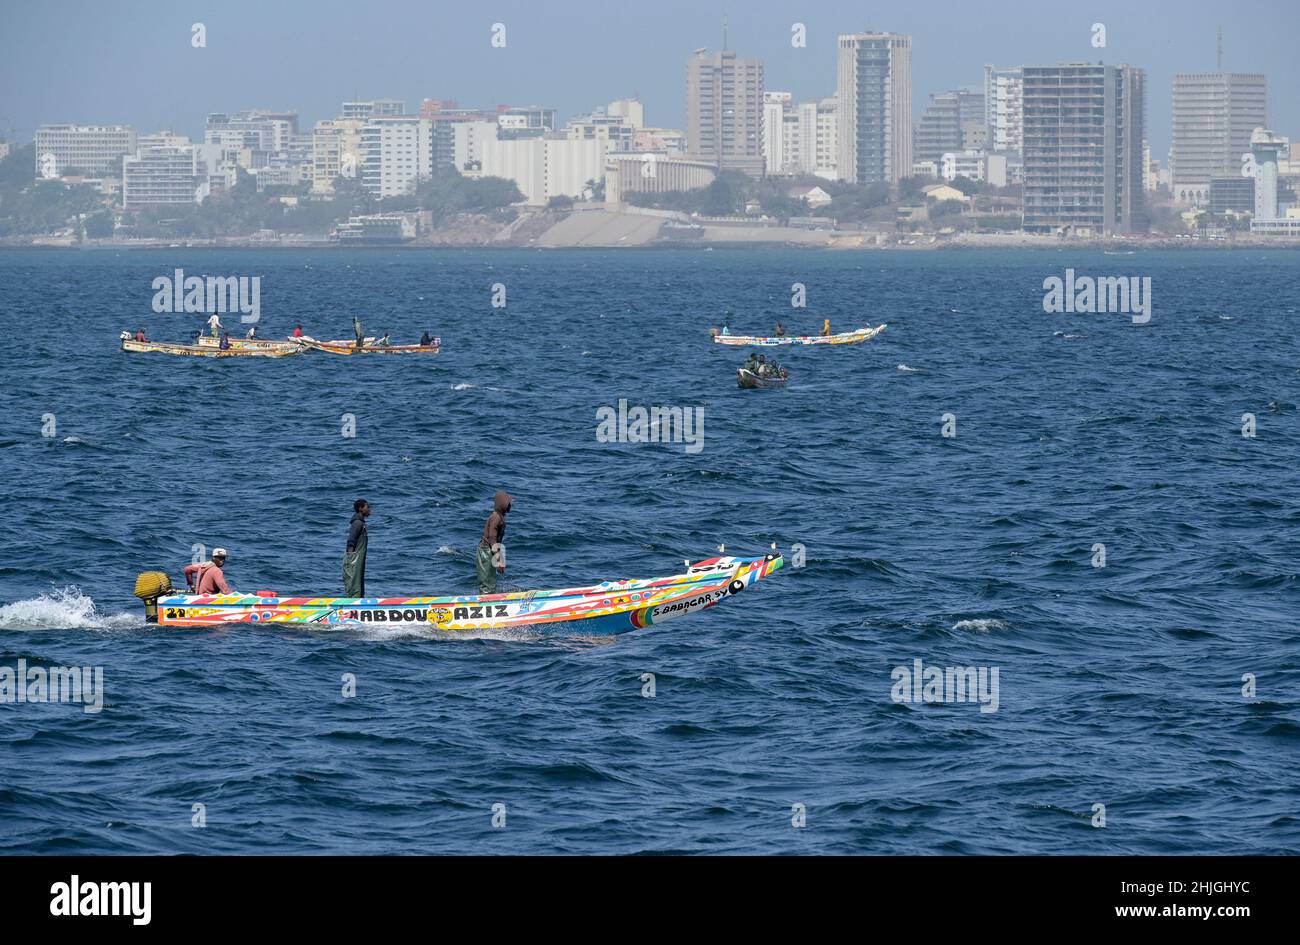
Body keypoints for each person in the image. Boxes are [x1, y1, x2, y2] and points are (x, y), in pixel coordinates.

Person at [477, 491, 512, 595]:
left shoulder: (500, 517)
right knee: (486, 580)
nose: (510, 506)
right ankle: (486, 599)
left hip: (491, 549)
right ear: (502, 504)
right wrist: (499, 559)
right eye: (508, 504)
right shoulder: (496, 518)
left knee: (491, 580)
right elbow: (492, 539)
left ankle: (490, 596)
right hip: (485, 551)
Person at [344, 499, 370, 597]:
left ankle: (360, 600)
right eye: (367, 507)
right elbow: (351, 541)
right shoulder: (357, 523)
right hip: (354, 558)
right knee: (354, 582)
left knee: (359, 581)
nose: (369, 510)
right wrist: (351, 559)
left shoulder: (361, 523)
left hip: (359, 558)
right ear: (360, 509)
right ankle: (353, 603)